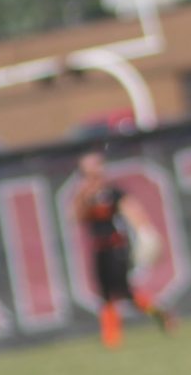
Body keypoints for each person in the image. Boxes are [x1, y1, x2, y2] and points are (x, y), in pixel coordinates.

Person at [72, 149, 178, 348]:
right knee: (105, 294)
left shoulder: (112, 192)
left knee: (124, 291)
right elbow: (76, 217)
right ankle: (111, 338)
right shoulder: (84, 195)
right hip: (98, 248)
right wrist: (84, 194)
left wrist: (145, 231)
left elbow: (132, 210)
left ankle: (160, 311)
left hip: (116, 246)